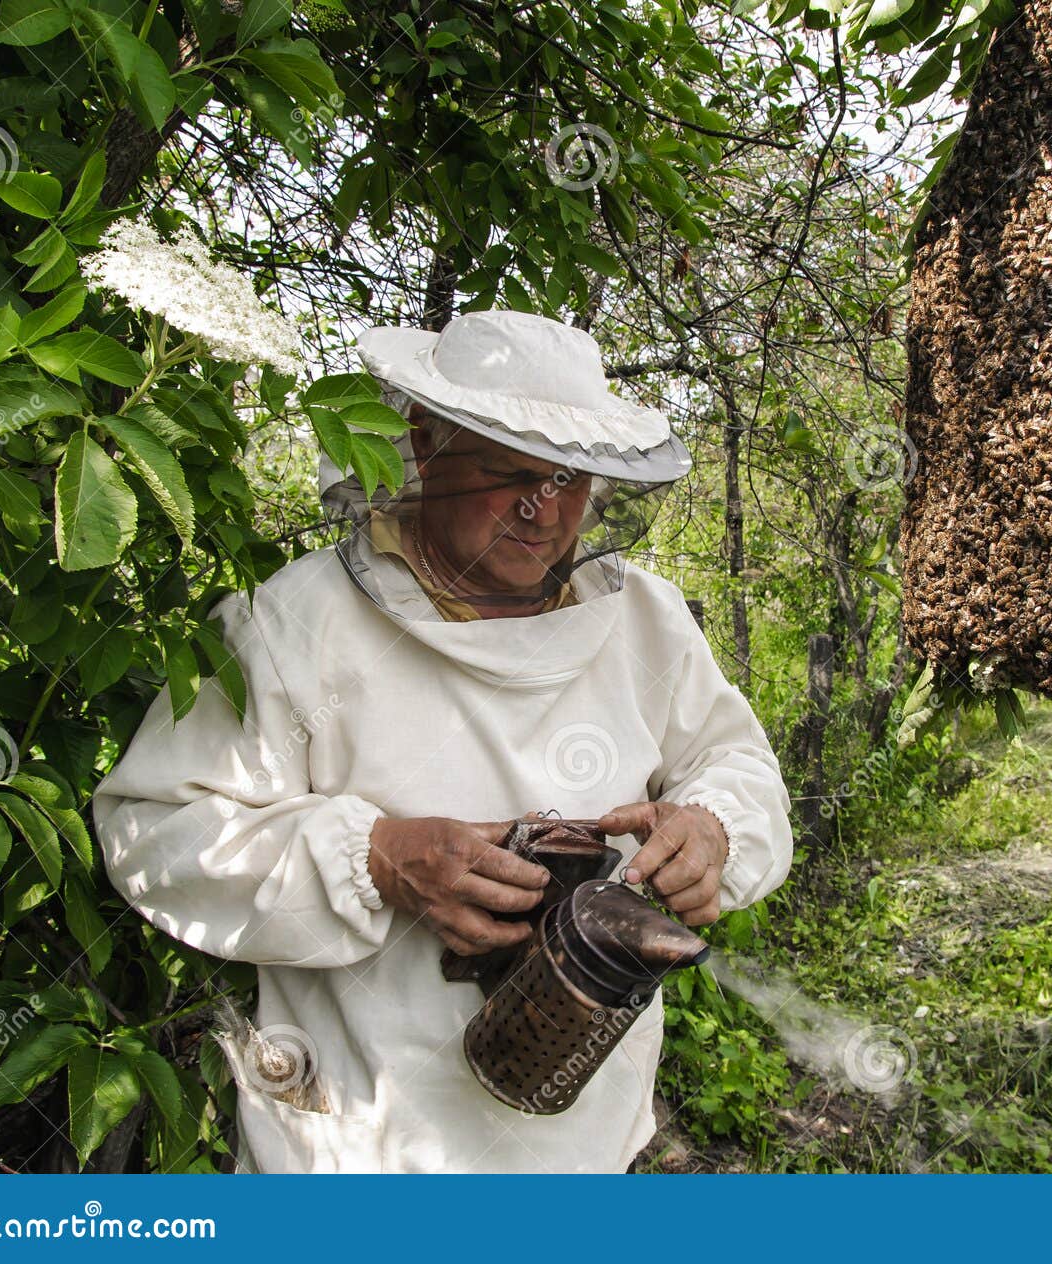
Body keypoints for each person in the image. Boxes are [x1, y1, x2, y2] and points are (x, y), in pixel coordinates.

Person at [91, 310, 794, 1173]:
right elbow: (156, 831)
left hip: (585, 1147)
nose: (546, 511)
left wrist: (712, 828)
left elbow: (738, 765)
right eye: (510, 474)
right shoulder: (291, 623)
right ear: (424, 445)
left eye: (573, 479)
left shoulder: (645, 620)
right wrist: (378, 858)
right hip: (355, 1152)